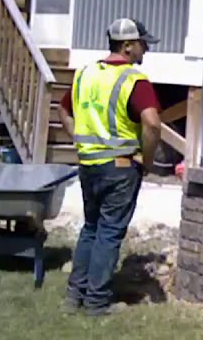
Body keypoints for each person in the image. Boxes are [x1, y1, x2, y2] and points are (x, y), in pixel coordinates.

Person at [58, 18, 163, 316]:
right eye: (142, 44)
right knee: (109, 232)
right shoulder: (134, 80)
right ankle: (96, 302)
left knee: (90, 228)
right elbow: (152, 124)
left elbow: (63, 110)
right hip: (119, 167)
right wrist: (149, 158)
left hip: (89, 164)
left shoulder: (84, 74)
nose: (145, 50)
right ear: (127, 46)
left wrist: (80, 140)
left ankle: (73, 297)